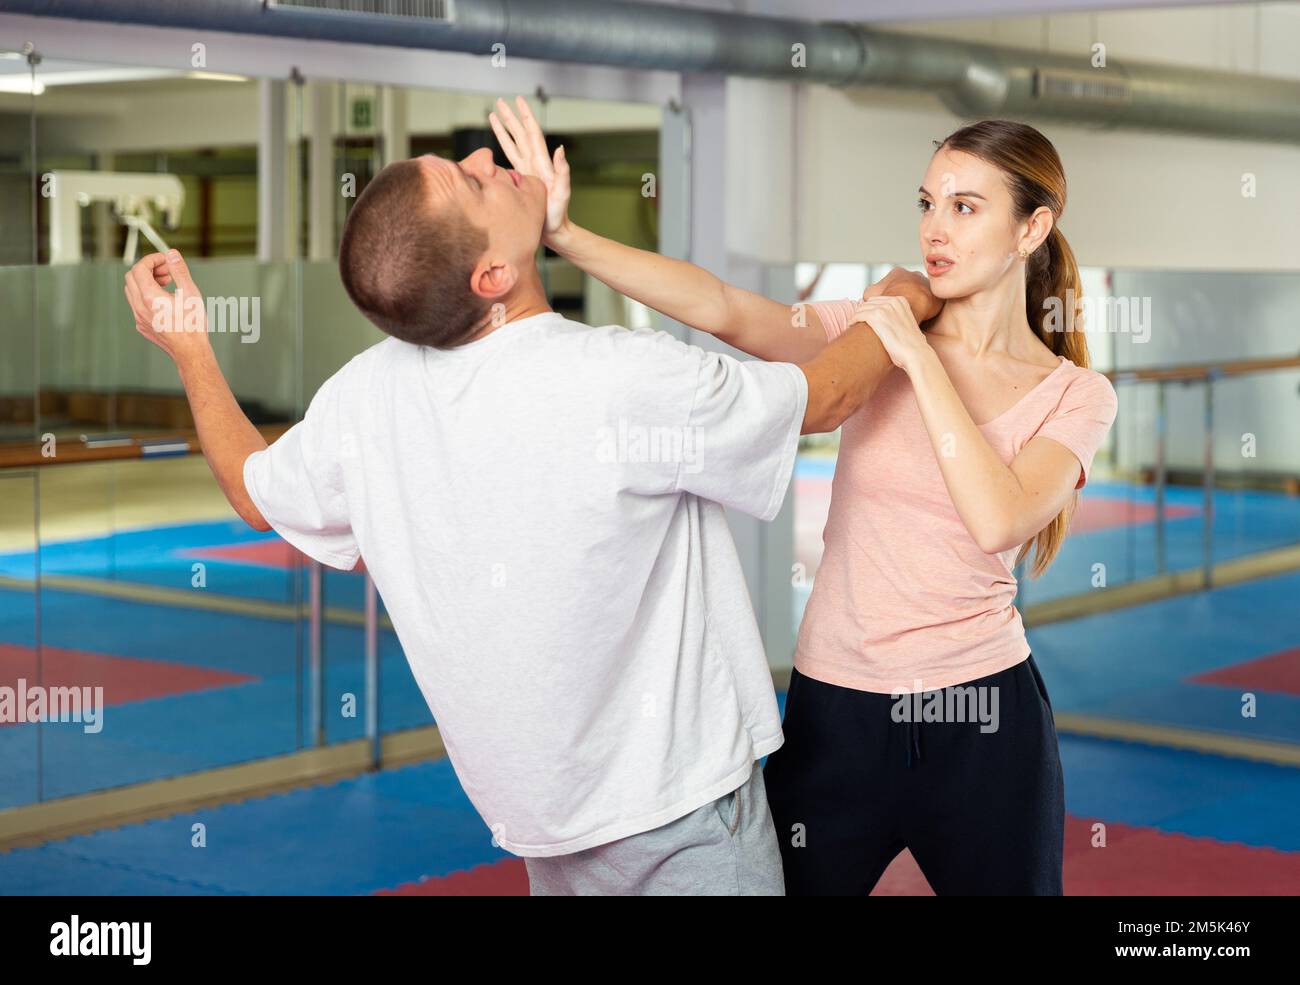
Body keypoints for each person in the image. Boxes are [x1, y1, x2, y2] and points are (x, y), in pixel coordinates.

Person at [120, 120, 938, 894]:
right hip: (682, 805)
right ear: (492, 278)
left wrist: (190, 345)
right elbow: (827, 397)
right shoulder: (623, 378)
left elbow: (254, 489)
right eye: (474, 183)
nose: (485, 155)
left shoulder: (364, 398)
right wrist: (897, 306)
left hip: (542, 822)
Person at [495, 101, 1117, 895]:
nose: (936, 229)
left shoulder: (1074, 393)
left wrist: (912, 351)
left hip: (983, 720)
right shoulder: (873, 325)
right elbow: (724, 308)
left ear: (1032, 229)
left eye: (966, 207)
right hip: (838, 712)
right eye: (927, 204)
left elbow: (998, 515)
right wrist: (565, 236)